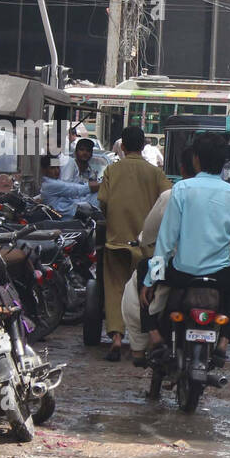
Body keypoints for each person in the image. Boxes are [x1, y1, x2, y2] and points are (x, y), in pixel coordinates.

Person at [142, 133, 230, 368]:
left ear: (196, 160)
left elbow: (166, 241)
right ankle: (222, 344)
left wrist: (151, 279)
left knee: (145, 279)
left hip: (183, 274)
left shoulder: (181, 190)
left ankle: (157, 338)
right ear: (223, 162)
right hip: (220, 276)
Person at [98, 126, 171, 360]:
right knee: (150, 291)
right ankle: (149, 339)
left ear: (124, 147)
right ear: (142, 147)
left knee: (115, 289)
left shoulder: (112, 170)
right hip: (148, 248)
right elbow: (168, 203)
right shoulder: (155, 173)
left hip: (116, 243)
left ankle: (117, 339)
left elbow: (103, 202)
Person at [122, 157, 196, 367]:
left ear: (183, 168)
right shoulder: (227, 196)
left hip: (173, 267)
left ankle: (150, 335)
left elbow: (149, 237)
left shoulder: (171, 196)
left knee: (145, 271)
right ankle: (223, 341)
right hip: (214, 269)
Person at [41, 154, 99, 219]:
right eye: (52, 168)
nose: (57, 171)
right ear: (44, 170)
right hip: (67, 219)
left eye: (58, 167)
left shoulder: (55, 182)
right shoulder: (50, 184)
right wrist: (101, 184)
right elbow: (77, 190)